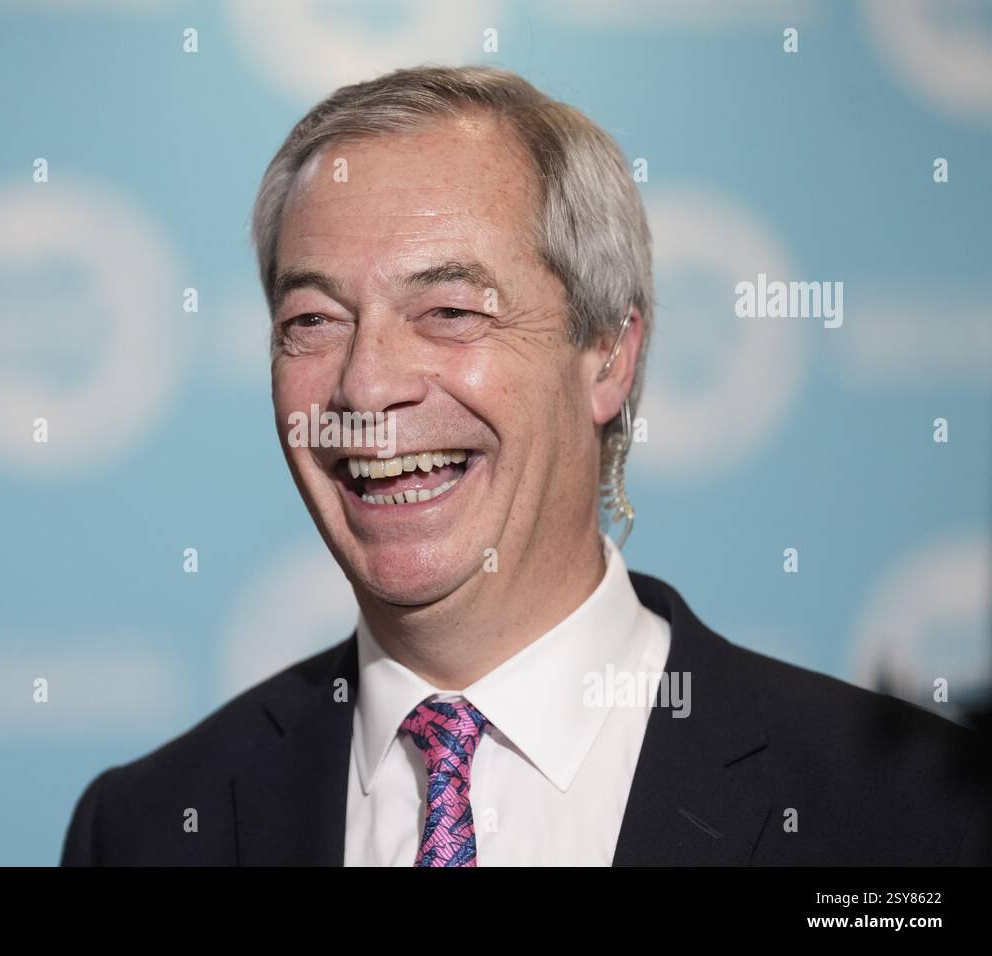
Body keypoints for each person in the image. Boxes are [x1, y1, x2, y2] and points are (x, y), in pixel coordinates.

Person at [61, 65, 989, 866]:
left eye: (451, 312)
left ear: (608, 355)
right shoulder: (146, 829)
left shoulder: (909, 817)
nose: (366, 387)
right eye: (313, 320)